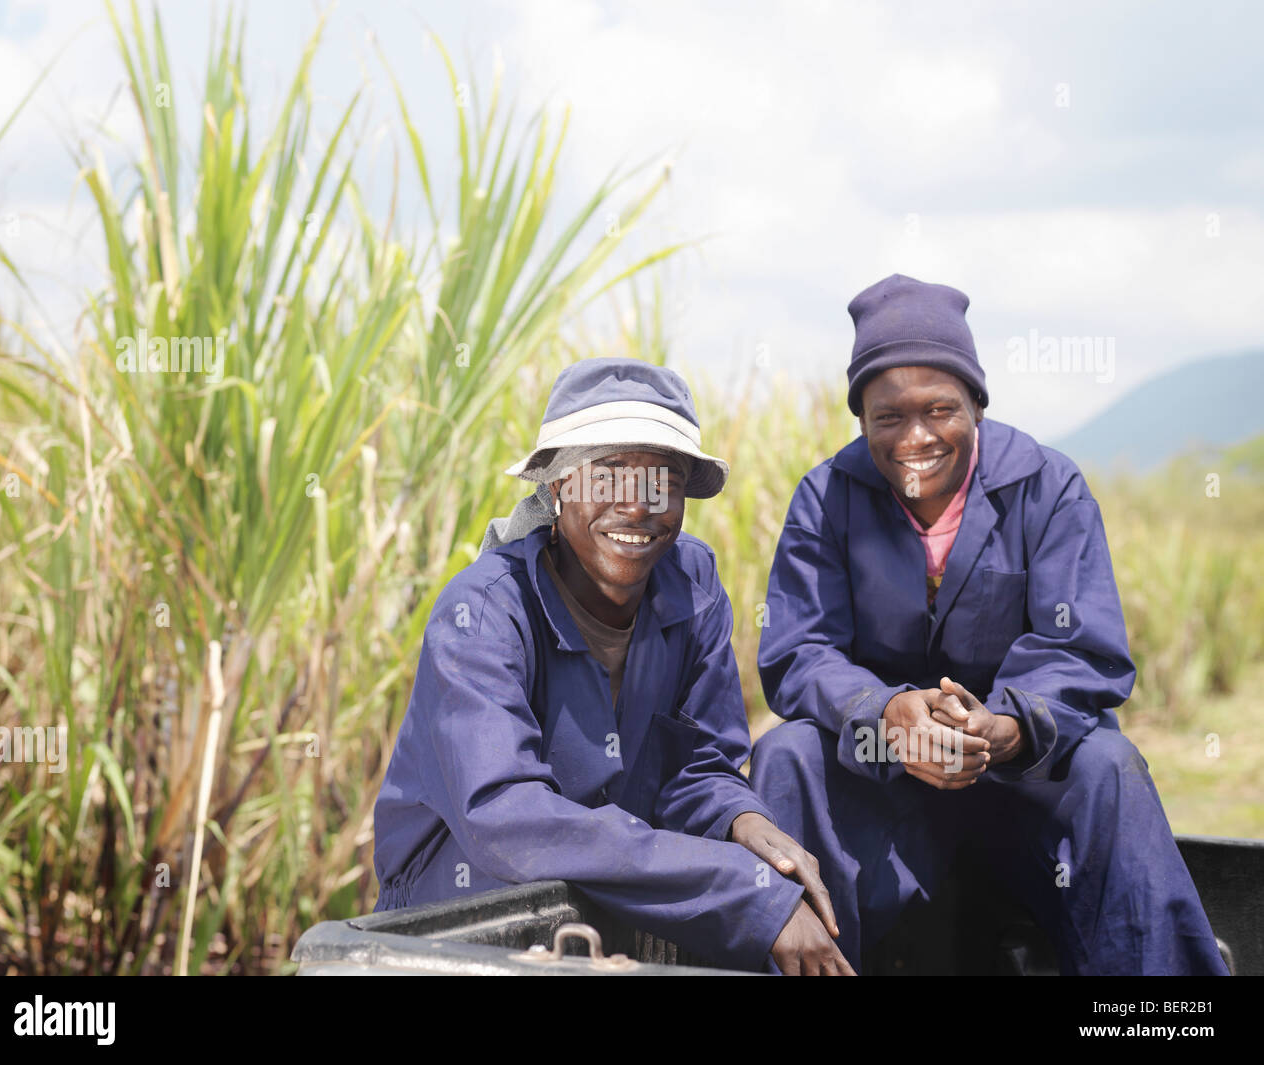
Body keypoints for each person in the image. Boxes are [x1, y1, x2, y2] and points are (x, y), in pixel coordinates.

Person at [750, 274, 1228, 975]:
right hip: (885, 772)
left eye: (940, 408)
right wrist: (885, 712)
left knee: (1108, 765)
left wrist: (1006, 726)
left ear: (976, 403)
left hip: (1020, 775)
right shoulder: (827, 498)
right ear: (860, 418)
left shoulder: (1047, 485)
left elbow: (1084, 647)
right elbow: (799, 651)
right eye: (888, 416)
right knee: (786, 751)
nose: (915, 437)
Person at [373, 357, 854, 974]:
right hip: (465, 896)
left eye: (663, 482)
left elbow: (697, 765)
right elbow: (507, 823)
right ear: (555, 488)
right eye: (606, 477)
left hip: (607, 872)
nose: (637, 507)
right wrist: (736, 887)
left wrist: (741, 820)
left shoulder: (693, 586)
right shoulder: (484, 612)